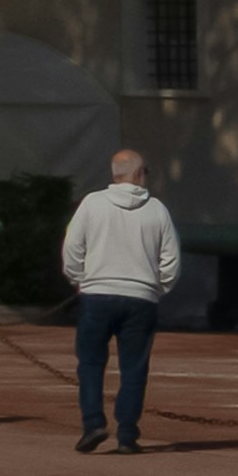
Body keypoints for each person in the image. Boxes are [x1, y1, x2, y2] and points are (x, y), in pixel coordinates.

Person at [60, 151, 182, 454]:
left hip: (97, 295)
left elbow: (72, 248)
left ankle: (93, 423)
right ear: (139, 174)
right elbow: (171, 262)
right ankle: (127, 432)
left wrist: (79, 280)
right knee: (134, 368)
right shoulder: (157, 210)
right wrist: (156, 288)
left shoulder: (92, 203)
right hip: (141, 299)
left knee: (90, 363)